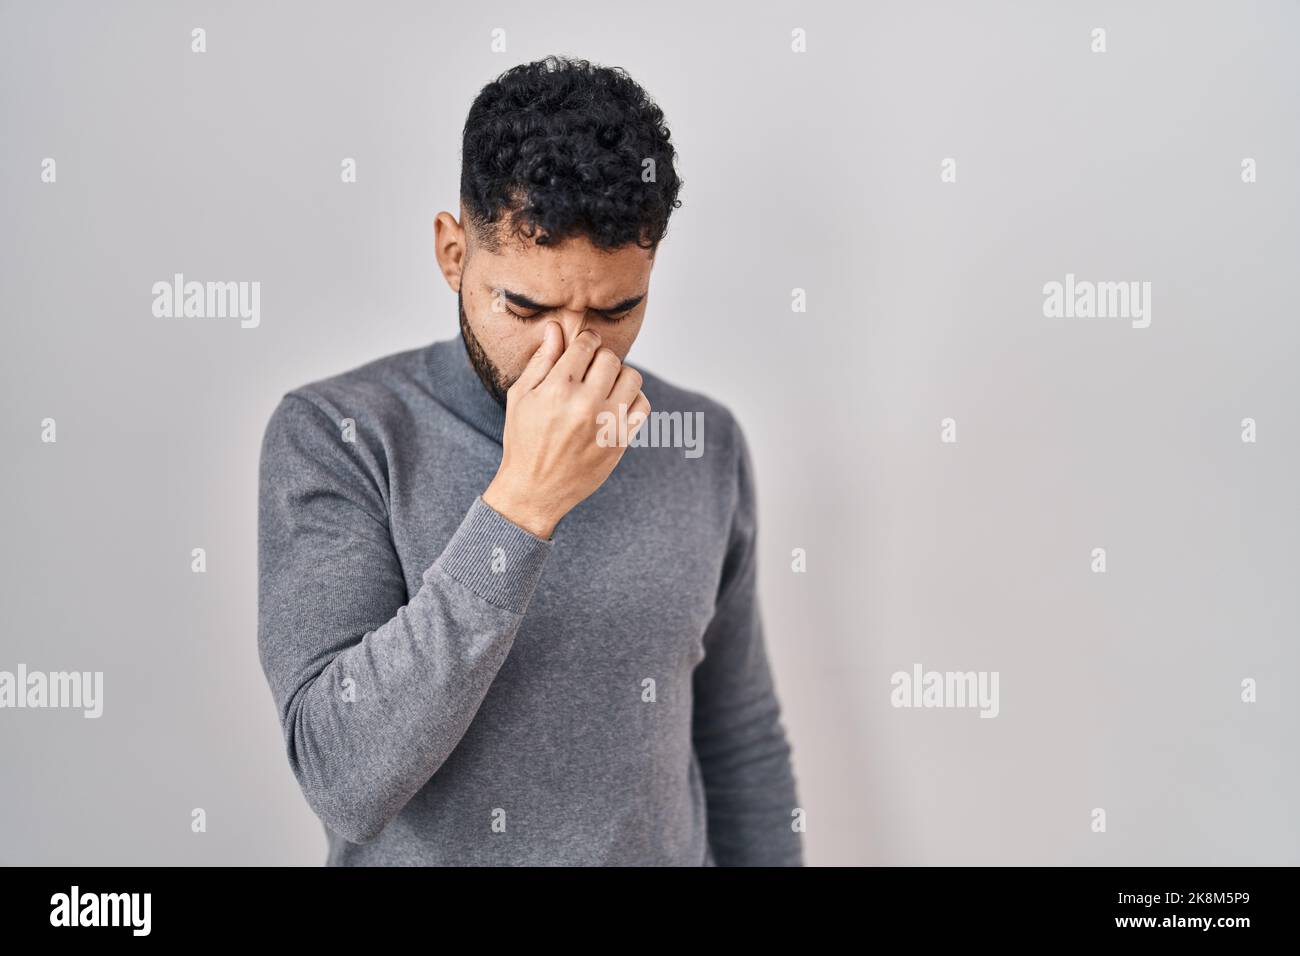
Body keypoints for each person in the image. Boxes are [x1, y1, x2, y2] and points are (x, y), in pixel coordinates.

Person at [256, 55, 803, 866]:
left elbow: (737, 740)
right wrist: (522, 503)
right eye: (526, 305)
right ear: (453, 253)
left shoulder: (702, 442)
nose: (570, 349)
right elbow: (342, 777)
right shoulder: (339, 436)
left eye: (616, 309)